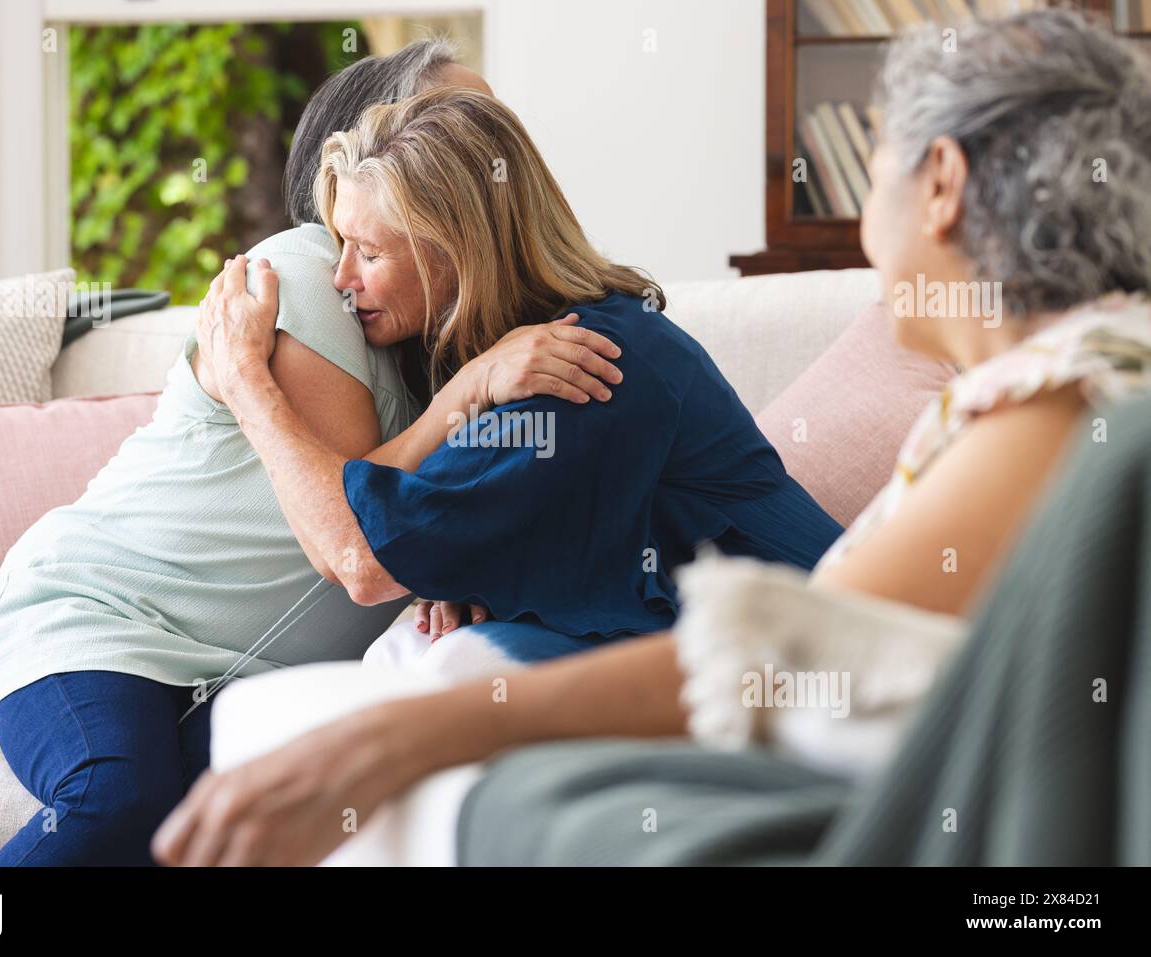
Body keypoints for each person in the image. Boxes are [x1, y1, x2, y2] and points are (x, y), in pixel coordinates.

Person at [152, 9, 1151, 867]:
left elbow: (797, 651)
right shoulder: (1051, 388)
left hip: (864, 757)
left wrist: (408, 737)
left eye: (877, 154)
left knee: (400, 738)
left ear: (940, 181)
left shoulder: (1066, 398)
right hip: (840, 729)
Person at [0, 40, 624, 867]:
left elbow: (460, 525)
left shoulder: (448, 331)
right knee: (118, 798)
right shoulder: (307, 275)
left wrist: (463, 575)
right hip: (98, 616)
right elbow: (358, 531)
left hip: (236, 672)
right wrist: (462, 399)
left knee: (238, 818)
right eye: (451, 122)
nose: (487, 150)